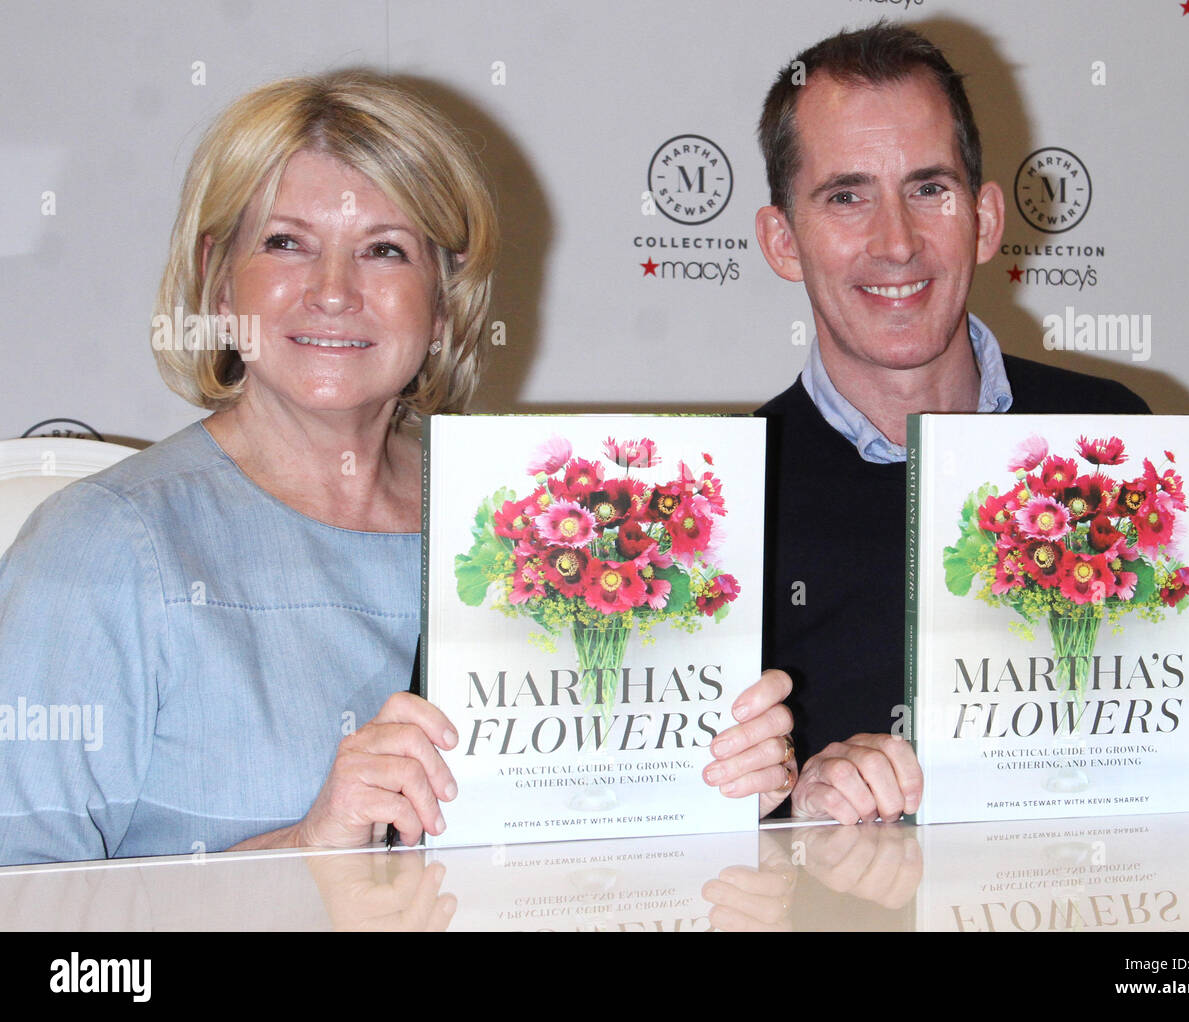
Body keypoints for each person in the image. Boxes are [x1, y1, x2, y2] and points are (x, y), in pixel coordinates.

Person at [0, 71, 792, 866]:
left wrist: (712, 800)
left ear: (444, 302)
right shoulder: (100, 550)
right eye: (286, 243)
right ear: (216, 278)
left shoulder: (537, 524)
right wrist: (306, 856)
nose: (334, 291)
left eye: (384, 250)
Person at [753, 23, 1189, 824]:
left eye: (929, 189)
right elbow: (690, 814)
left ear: (985, 219)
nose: (896, 242)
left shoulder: (1111, 436)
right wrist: (792, 809)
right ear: (782, 239)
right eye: (846, 196)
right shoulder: (727, 492)